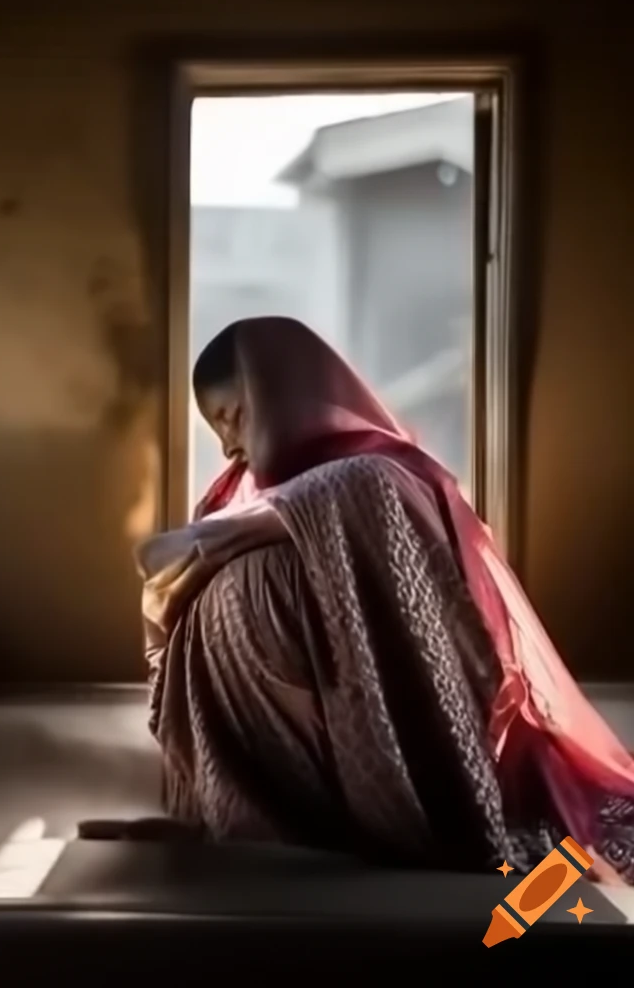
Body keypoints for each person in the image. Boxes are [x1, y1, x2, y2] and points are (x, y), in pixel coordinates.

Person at [136, 315, 634, 882]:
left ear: (279, 391)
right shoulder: (233, 498)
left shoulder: (386, 477)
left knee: (547, 886)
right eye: (216, 430)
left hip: (402, 756)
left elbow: (352, 499)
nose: (229, 445)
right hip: (279, 778)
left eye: (232, 417)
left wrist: (207, 541)